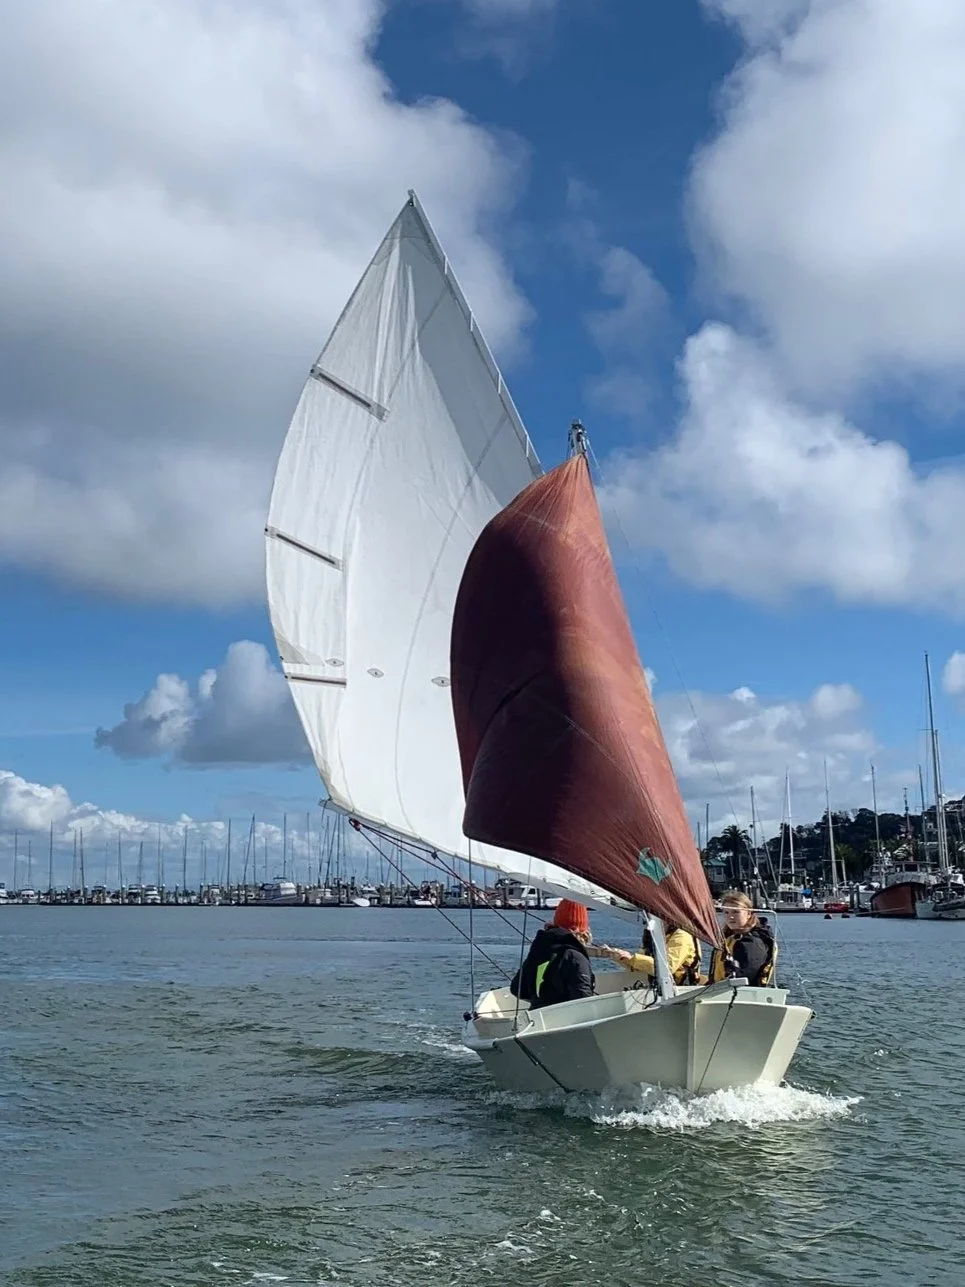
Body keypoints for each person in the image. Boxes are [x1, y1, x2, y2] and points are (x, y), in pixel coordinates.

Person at [510, 899, 595, 1008]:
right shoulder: (575, 957)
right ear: (583, 930)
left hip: (536, 1017)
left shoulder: (540, 948)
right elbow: (584, 1002)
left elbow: (517, 989)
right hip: (564, 1021)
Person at [708, 890, 777, 986]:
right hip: (721, 989)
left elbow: (745, 977)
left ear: (748, 914)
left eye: (736, 912)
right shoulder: (730, 937)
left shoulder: (753, 943)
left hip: (742, 994)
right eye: (726, 912)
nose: (730, 917)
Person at [597, 923, 702, 986]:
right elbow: (640, 963)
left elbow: (667, 968)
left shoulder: (682, 936)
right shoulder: (658, 935)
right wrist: (618, 956)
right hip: (661, 990)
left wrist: (633, 958)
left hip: (681, 991)